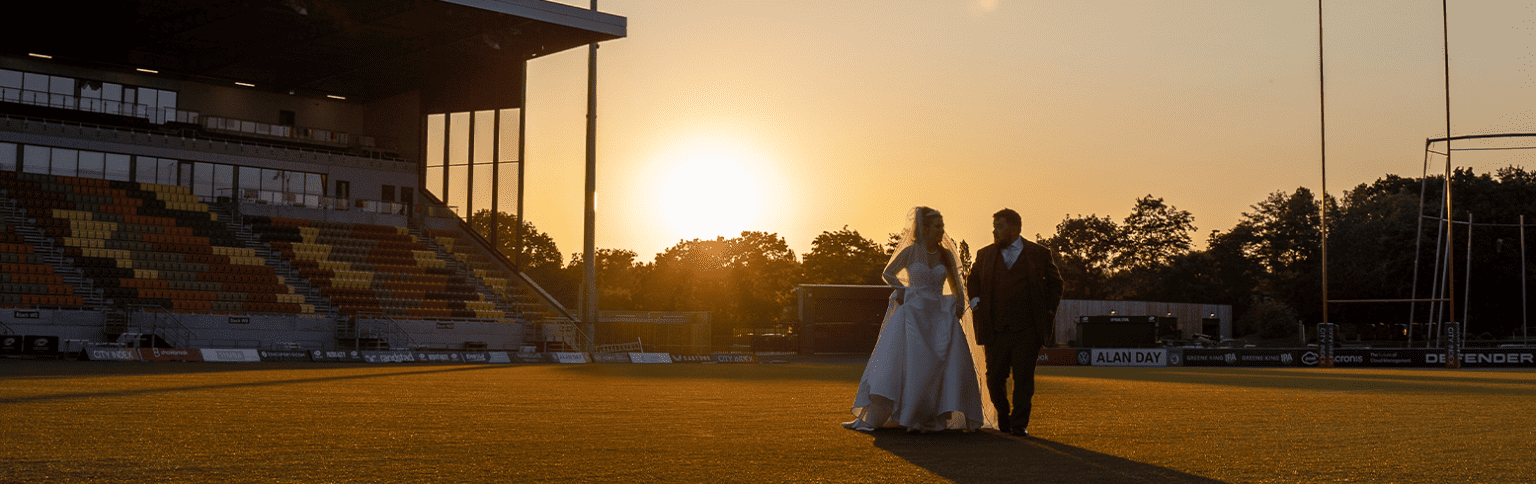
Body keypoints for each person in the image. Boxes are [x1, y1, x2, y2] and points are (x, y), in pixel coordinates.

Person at [843, 207, 992, 433]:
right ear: (925, 229)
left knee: (941, 365)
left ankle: (931, 416)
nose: (942, 230)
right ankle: (892, 414)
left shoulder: (945, 255)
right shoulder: (911, 252)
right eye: (937, 226)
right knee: (904, 362)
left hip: (940, 315)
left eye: (942, 225)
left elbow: (956, 284)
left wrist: (960, 304)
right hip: (913, 312)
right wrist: (903, 289)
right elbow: (888, 272)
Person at [965, 208, 1062, 437]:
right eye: (994, 226)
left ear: (1015, 228)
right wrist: (977, 303)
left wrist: (1048, 311)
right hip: (995, 328)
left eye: (999, 226)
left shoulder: (1039, 253)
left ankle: (1019, 424)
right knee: (994, 377)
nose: (994, 231)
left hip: (1028, 329)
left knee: (1023, 378)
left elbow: (1056, 284)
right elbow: (973, 279)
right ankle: (1003, 415)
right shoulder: (984, 254)